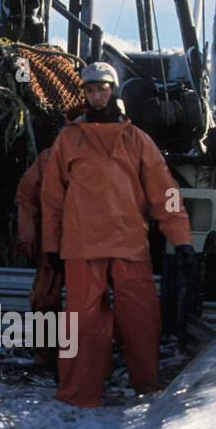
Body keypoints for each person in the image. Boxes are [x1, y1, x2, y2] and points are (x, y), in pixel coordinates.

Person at [40, 62, 194, 408]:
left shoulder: (138, 140)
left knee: (141, 321)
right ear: (84, 94)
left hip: (129, 247)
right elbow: (52, 200)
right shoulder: (68, 139)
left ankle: (148, 388)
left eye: (103, 88)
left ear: (115, 91)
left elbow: (165, 192)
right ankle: (78, 398)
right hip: (81, 248)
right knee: (81, 326)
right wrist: (51, 245)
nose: (97, 95)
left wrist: (181, 239)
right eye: (91, 90)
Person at [13, 145, 64, 370]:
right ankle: (47, 359)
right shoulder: (50, 156)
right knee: (45, 299)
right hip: (54, 240)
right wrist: (27, 238)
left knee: (89, 302)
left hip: (95, 243)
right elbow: (26, 198)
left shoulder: (119, 151)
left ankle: (82, 363)